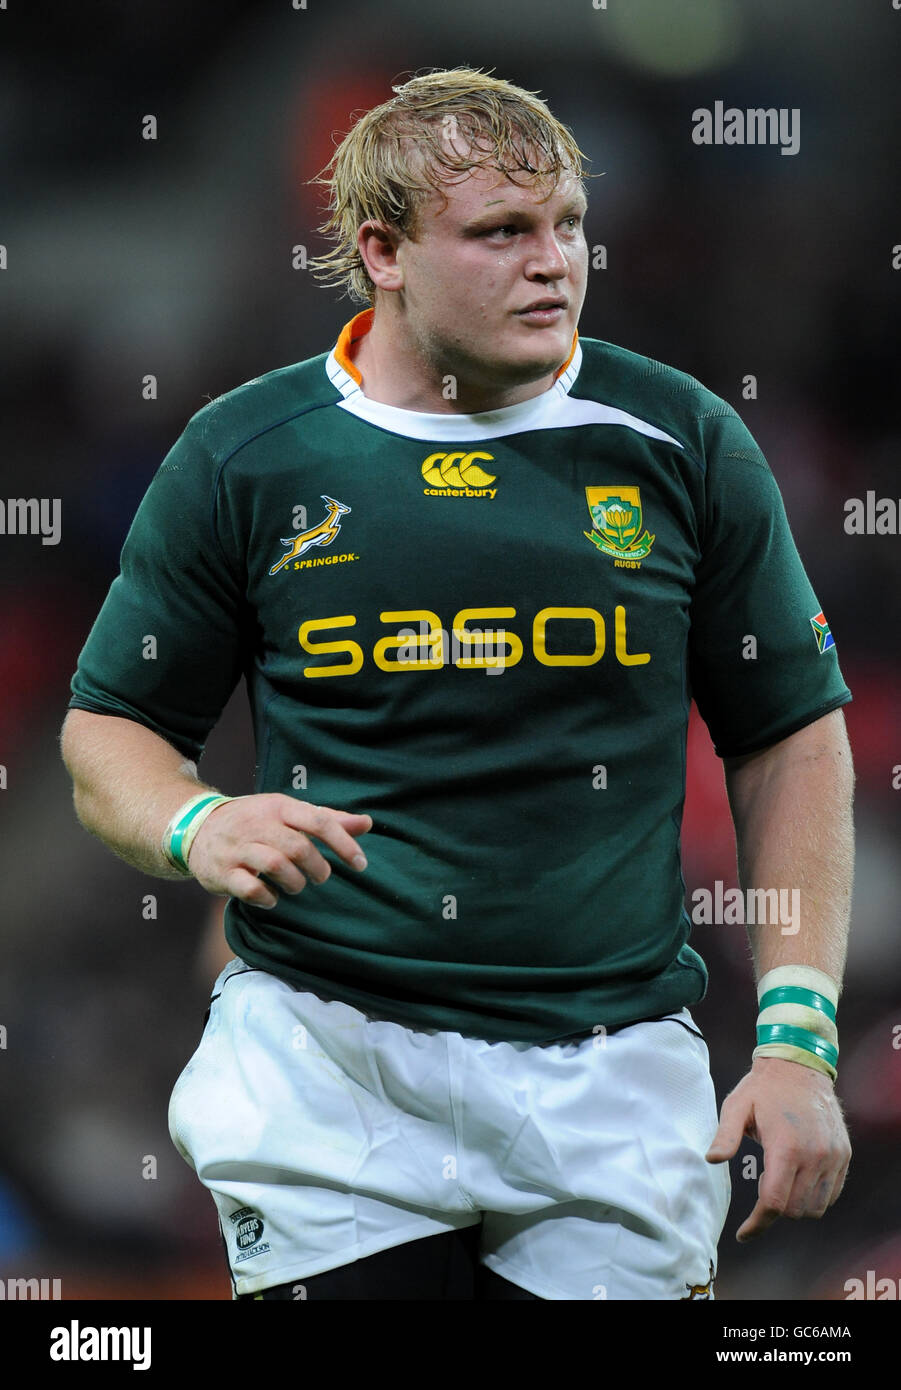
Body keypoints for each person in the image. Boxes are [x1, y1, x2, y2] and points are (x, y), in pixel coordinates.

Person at [60, 66, 854, 1301]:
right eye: (501, 233)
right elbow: (109, 729)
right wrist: (195, 822)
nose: (556, 265)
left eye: (569, 227)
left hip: (612, 1073)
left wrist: (798, 1042)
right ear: (381, 249)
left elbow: (791, 734)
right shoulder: (245, 455)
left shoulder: (680, 438)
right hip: (329, 1067)